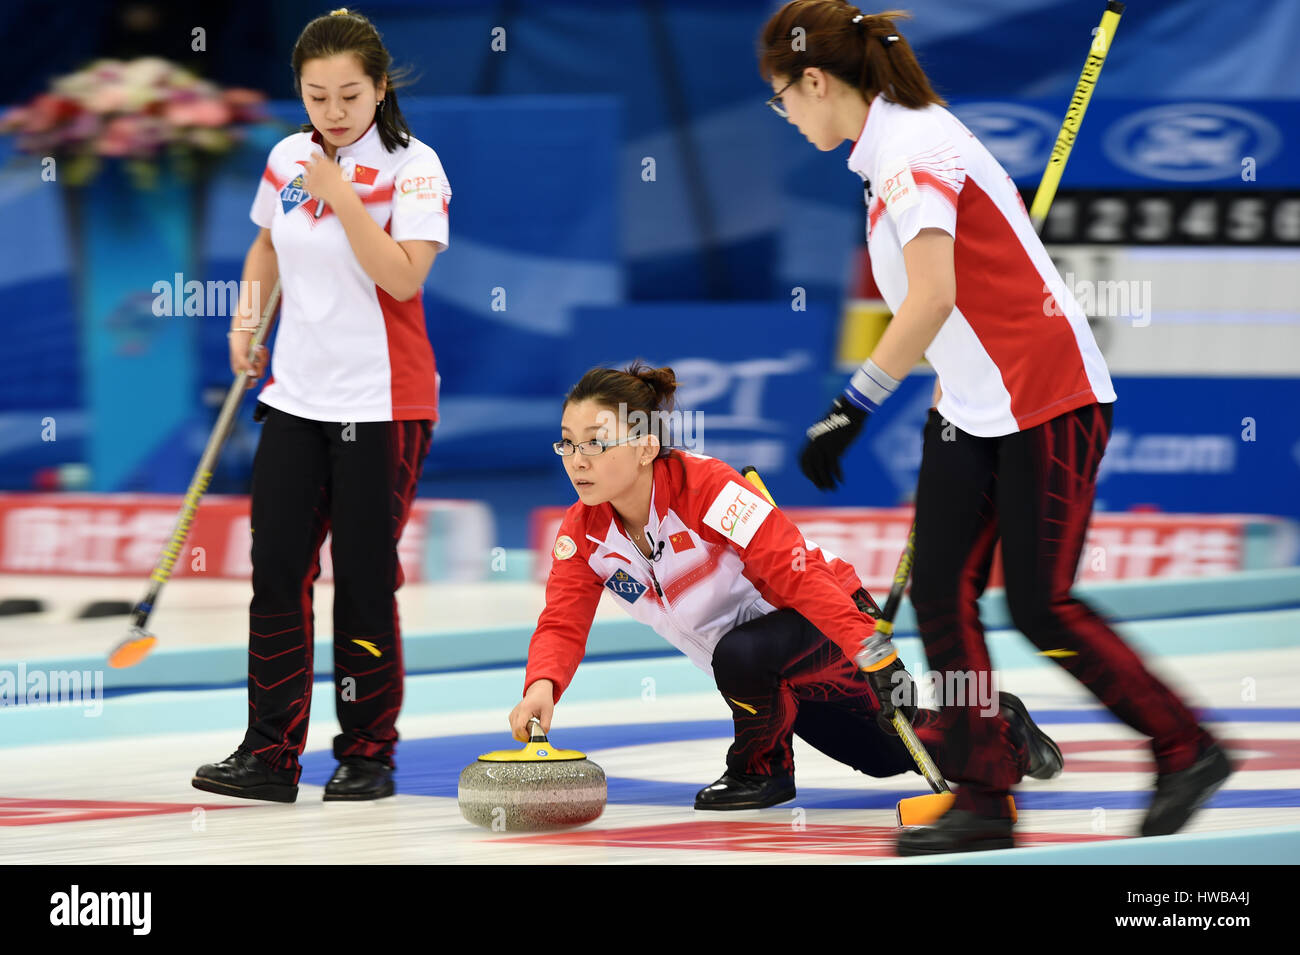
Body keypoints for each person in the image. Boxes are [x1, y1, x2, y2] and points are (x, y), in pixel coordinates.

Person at [759, 1, 1232, 853]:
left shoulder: (909, 152)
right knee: (942, 595)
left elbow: (933, 294)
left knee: (1042, 606)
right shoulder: (892, 142)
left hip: (1045, 395)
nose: (784, 115)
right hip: (972, 404)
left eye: (782, 98)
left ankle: (1187, 747)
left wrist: (850, 403)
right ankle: (984, 793)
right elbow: (944, 302)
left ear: (817, 81)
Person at [509, 362, 1063, 812]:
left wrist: (870, 647)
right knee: (883, 756)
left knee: (741, 651)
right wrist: (544, 684)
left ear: (646, 447)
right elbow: (562, 619)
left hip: (827, 623)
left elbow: (796, 573)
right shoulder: (582, 534)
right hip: (765, 673)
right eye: (566, 444)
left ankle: (759, 773)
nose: (577, 461)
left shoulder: (710, 489)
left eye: (596, 443)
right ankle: (1000, 729)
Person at [192, 8, 450, 803]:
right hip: (296, 398)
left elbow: (403, 277)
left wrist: (339, 193)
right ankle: (269, 753)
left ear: (379, 88)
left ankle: (367, 752)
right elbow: (267, 245)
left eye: (349, 94)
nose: (333, 112)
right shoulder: (285, 157)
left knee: (366, 581)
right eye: (316, 96)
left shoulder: (415, 168)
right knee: (276, 574)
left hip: (383, 402)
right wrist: (247, 319)